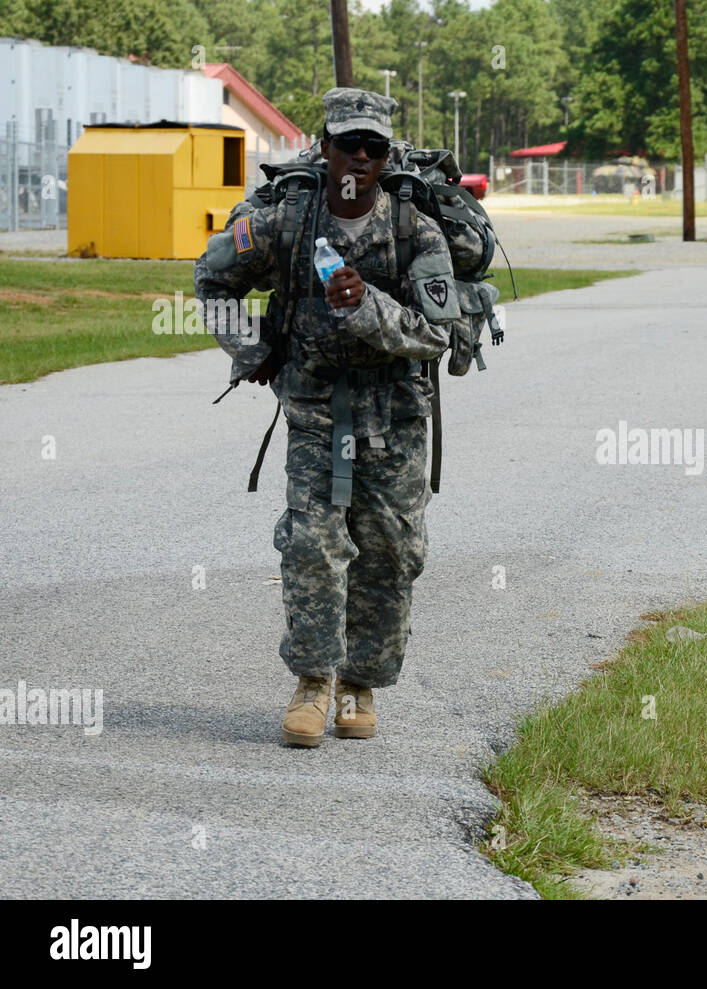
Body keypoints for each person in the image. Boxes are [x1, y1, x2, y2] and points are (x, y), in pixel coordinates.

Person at [195, 88, 468, 747]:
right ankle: (314, 681)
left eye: (374, 147)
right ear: (325, 147)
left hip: (398, 417)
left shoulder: (414, 229)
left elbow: (439, 334)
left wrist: (367, 305)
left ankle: (359, 686)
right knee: (313, 546)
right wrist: (252, 350)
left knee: (391, 553)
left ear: (386, 156)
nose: (360, 158)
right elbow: (212, 278)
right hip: (316, 410)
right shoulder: (288, 218)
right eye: (349, 144)